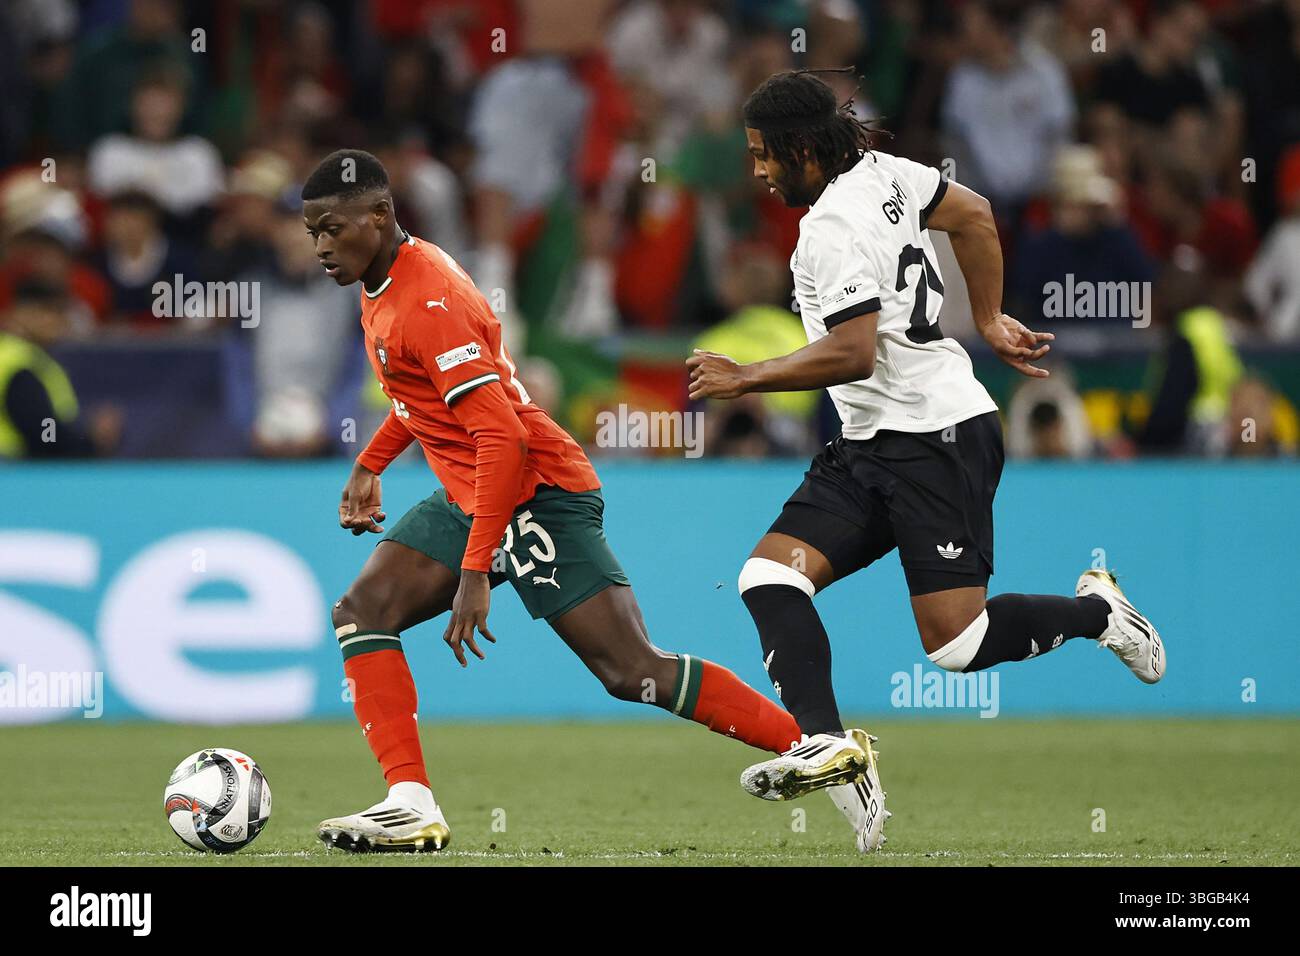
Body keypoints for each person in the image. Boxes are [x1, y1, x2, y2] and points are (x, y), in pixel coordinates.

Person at [687, 70, 1166, 853]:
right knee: (769, 577)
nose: (759, 170)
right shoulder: (888, 175)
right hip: (870, 442)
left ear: (802, 147)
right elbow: (973, 214)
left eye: (764, 155)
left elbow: (848, 350)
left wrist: (747, 376)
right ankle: (832, 748)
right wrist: (985, 316)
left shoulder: (831, 227)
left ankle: (1100, 613)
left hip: (938, 438)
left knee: (957, 647)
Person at [300, 150, 812, 853]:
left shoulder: (426, 301)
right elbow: (421, 395)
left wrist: (476, 571)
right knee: (363, 612)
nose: (322, 246)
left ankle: (812, 748)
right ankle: (410, 801)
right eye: (313, 234)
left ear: (380, 216)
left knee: (632, 672)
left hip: (533, 489)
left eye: (332, 228)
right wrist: (371, 462)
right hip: (473, 487)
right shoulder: (386, 277)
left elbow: (504, 437)